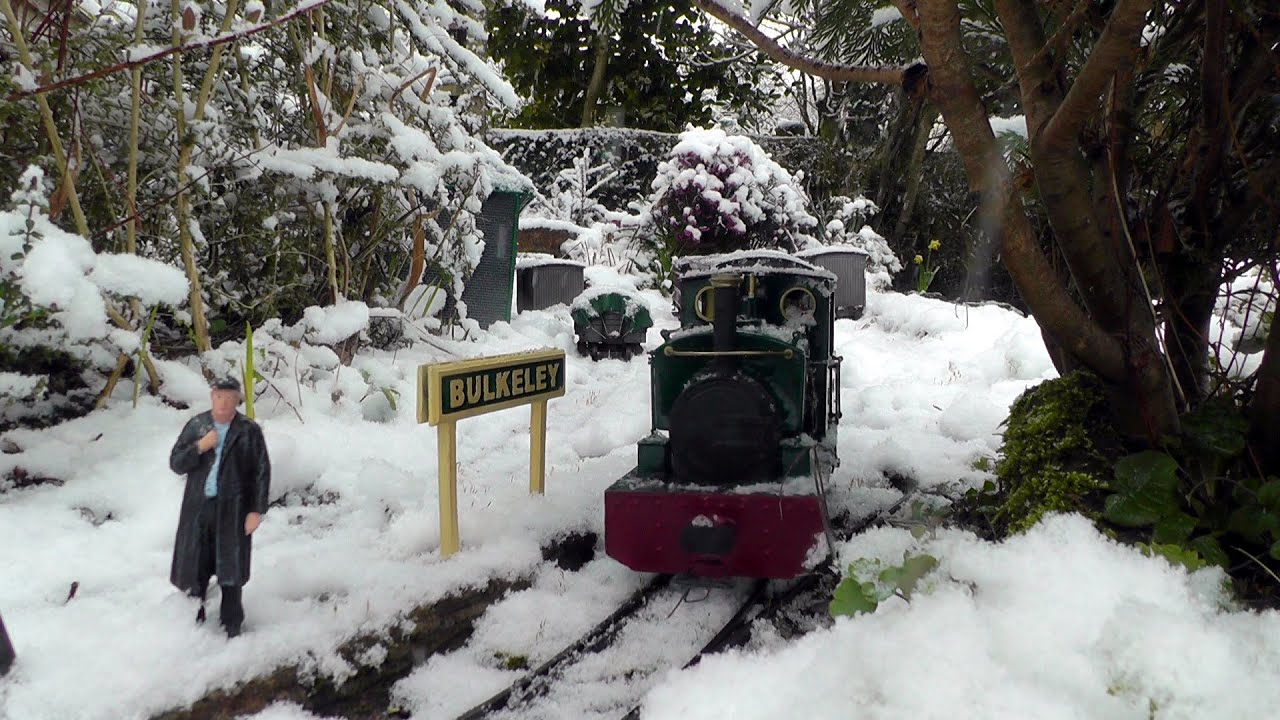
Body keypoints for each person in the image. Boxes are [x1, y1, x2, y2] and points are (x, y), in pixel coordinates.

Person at [168, 377, 270, 638]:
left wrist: (256, 510)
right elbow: (177, 463)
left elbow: (260, 471)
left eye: (229, 398)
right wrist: (199, 447)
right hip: (199, 509)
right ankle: (193, 620)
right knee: (195, 566)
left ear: (238, 400)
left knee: (231, 570)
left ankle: (231, 624)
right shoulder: (198, 426)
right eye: (219, 397)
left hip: (233, 510)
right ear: (212, 397)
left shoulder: (248, 431)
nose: (223, 403)